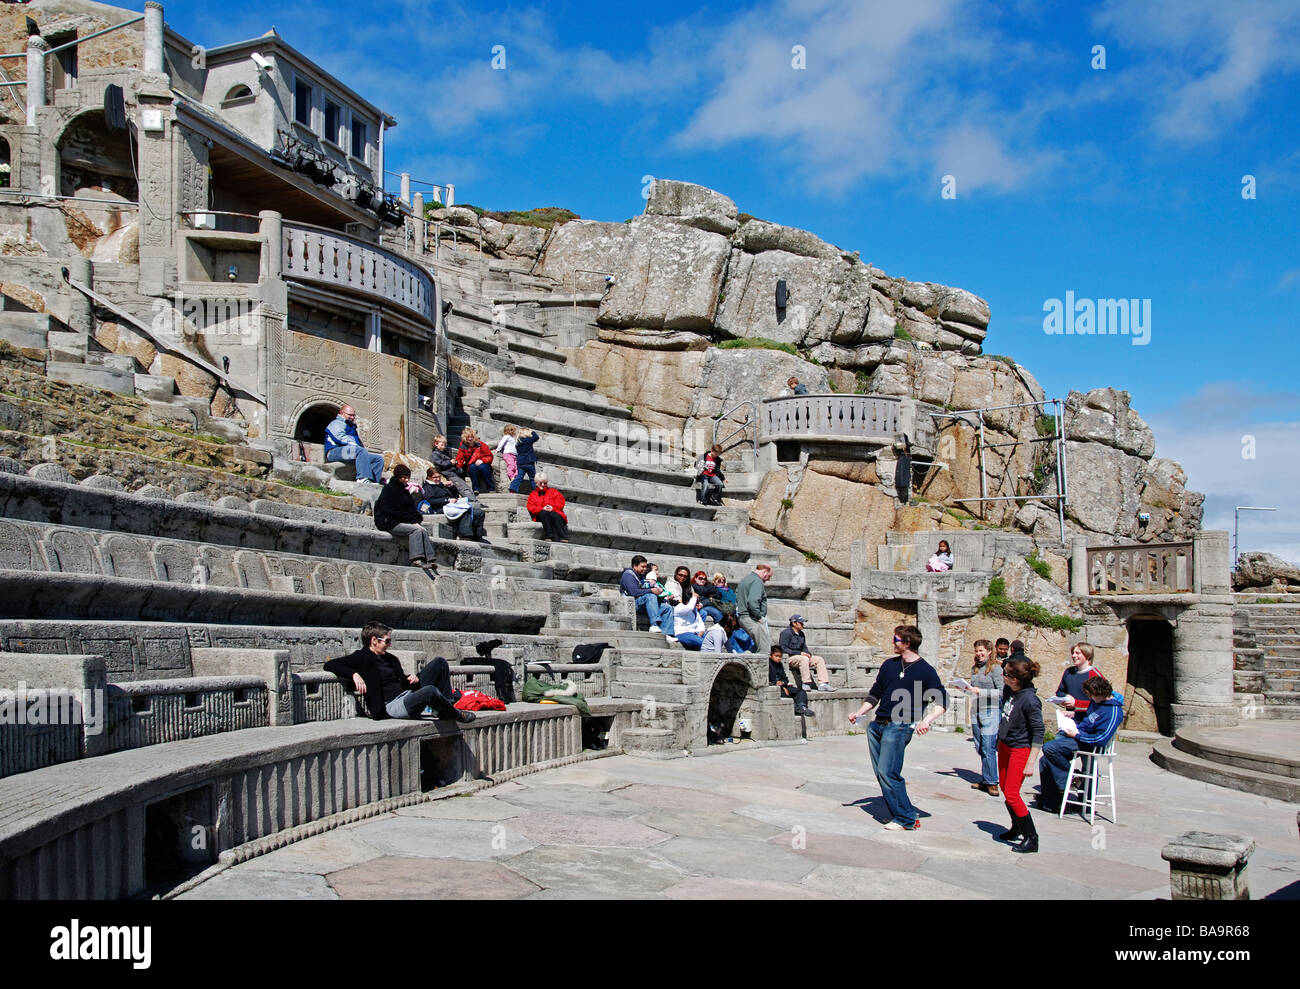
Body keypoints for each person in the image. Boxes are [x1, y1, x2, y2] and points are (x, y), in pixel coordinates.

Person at [848, 625, 948, 831]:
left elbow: (941, 700)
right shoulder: (889, 665)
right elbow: (875, 693)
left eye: (896, 639)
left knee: (888, 771)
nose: (893, 642)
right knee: (881, 772)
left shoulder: (925, 670)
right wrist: (860, 712)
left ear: (907, 643)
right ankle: (903, 812)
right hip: (878, 725)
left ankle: (906, 818)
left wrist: (926, 720)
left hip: (899, 726)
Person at [324, 621, 474, 723]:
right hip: (391, 707)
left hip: (406, 695)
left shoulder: (391, 659)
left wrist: (410, 678)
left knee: (439, 663)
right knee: (430, 691)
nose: (389, 644)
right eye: (387, 641)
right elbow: (330, 664)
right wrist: (354, 674)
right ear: (374, 640)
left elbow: (400, 681)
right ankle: (455, 714)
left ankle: (444, 707)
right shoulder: (361, 657)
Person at [1037, 675, 1124, 814]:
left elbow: (1100, 739)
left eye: (1091, 696)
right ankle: (1052, 802)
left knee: (1049, 748)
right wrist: (1074, 716)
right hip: (1080, 736)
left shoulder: (1113, 711)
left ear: (1099, 694)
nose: (1090, 699)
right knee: (1045, 760)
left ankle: (1071, 780)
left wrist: (1076, 735)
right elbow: (1088, 718)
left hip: (1090, 743)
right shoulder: (1097, 702)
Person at [997, 657, 1044, 852]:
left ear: (1015, 679)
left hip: (1020, 749)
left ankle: (1031, 837)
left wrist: (1030, 763)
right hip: (1006, 746)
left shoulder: (1030, 700)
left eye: (1006, 674)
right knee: (1005, 787)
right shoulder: (1011, 690)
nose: (1003, 676)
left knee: (1012, 793)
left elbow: (1039, 732)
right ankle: (1016, 825)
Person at [374, 464, 438, 569]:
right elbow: (391, 510)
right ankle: (416, 559)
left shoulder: (405, 492)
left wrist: (416, 520)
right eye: (404, 477)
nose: (406, 480)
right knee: (416, 530)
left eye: (407, 477)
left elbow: (413, 511)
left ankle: (430, 558)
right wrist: (410, 521)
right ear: (398, 476)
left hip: (402, 521)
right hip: (389, 522)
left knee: (422, 530)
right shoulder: (389, 489)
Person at [965, 639, 1003, 795]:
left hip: (991, 711)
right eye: (976, 651)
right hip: (976, 709)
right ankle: (986, 778)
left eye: (981, 651)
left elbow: (1001, 693)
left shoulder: (995, 668)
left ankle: (993, 782)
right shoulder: (975, 668)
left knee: (988, 746)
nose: (979, 654)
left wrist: (980, 692)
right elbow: (974, 689)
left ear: (989, 651)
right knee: (979, 745)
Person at [323, 404, 384, 483]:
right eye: (350, 415)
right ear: (342, 413)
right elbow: (339, 438)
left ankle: (373, 482)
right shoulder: (336, 423)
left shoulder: (351, 426)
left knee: (378, 459)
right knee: (360, 451)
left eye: (353, 415)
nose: (352, 417)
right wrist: (357, 447)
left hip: (349, 452)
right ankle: (362, 478)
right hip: (334, 452)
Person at [420, 468, 486, 541]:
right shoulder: (428, 487)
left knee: (479, 512)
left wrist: (452, 487)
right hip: (440, 508)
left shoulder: (440, 485)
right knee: (464, 511)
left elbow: (455, 495)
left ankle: (477, 535)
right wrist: (447, 501)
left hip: (451, 506)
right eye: (435, 477)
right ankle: (464, 535)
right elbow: (430, 500)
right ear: (429, 477)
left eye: (439, 477)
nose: (438, 479)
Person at [619, 555, 674, 634]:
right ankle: (654, 625)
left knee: (667, 608)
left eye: (645, 567)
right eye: (642, 567)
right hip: (633, 604)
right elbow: (633, 592)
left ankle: (667, 634)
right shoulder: (628, 575)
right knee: (650, 596)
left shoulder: (642, 576)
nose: (645, 569)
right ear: (635, 565)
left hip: (645, 603)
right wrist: (651, 590)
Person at [779, 615, 833, 692]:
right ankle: (806, 683)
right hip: (790, 658)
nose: (803, 625)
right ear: (794, 623)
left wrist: (807, 653)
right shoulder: (786, 633)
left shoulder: (801, 634)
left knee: (818, 659)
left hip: (801, 656)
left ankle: (823, 684)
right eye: (801, 623)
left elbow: (804, 647)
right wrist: (799, 653)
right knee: (803, 659)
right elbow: (783, 648)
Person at [735, 563, 773, 656]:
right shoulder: (757, 581)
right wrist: (759, 616)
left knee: (757, 647)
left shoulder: (745, 580)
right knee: (765, 650)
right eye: (769, 576)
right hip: (752, 618)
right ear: (764, 572)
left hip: (743, 617)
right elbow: (752, 601)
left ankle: (743, 658)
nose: (768, 579)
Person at [769, 645, 816, 719]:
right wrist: (777, 684)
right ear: (771, 655)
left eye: (780, 656)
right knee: (783, 694)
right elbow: (766, 681)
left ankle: (801, 706)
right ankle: (795, 708)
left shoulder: (779, 665)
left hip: (783, 686)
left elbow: (785, 679)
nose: (778, 658)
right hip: (773, 688)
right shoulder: (767, 664)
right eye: (776, 656)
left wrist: (783, 684)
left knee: (800, 691)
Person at [1056, 642, 1101, 716]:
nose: (1073, 655)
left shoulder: (1094, 675)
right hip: (1070, 717)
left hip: (1088, 719)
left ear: (1087, 655)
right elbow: (1059, 692)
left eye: (1077, 653)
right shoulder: (1069, 672)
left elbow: (1100, 702)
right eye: (1073, 653)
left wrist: (1076, 703)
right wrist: (1065, 697)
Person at [526, 473, 569, 541]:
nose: (543, 485)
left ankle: (563, 536)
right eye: (541, 483)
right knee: (543, 513)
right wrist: (542, 508)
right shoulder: (533, 495)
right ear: (536, 483)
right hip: (542, 515)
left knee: (554, 514)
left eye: (545, 483)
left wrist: (553, 507)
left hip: (555, 513)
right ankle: (549, 535)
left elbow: (561, 502)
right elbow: (530, 507)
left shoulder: (553, 491)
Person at [455, 427, 495, 493]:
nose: (470, 439)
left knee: (482, 467)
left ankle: (491, 488)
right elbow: (460, 458)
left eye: (472, 437)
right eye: (468, 437)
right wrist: (459, 467)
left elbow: (489, 456)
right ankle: (476, 488)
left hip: (484, 464)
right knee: (472, 467)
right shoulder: (463, 447)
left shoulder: (481, 445)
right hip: (471, 465)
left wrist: (482, 460)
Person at [510, 428, 539, 494]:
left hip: (520, 463)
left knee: (519, 477)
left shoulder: (518, 442)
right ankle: (536, 491)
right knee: (532, 478)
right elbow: (536, 437)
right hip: (529, 462)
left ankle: (513, 488)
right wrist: (532, 431)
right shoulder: (528, 440)